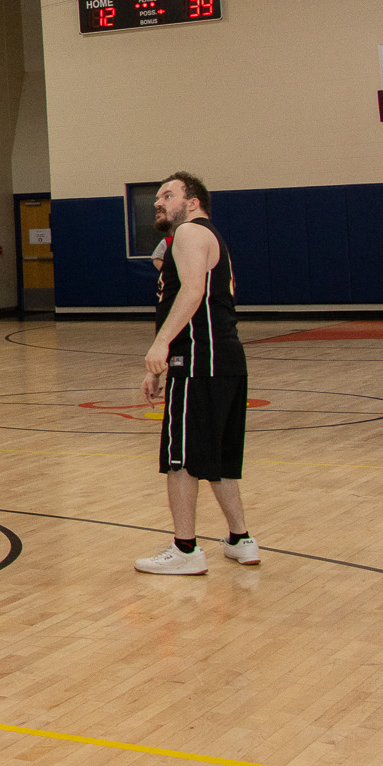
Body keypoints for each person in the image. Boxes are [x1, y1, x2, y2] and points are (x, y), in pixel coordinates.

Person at [134, 171, 260, 575]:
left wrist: (159, 346)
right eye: (156, 197)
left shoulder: (189, 233)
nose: (158, 202)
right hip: (224, 360)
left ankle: (186, 549)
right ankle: (241, 540)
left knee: (181, 459)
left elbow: (192, 293)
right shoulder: (208, 236)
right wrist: (165, 359)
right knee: (219, 460)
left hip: (199, 361)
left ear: (192, 202)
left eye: (167, 195)